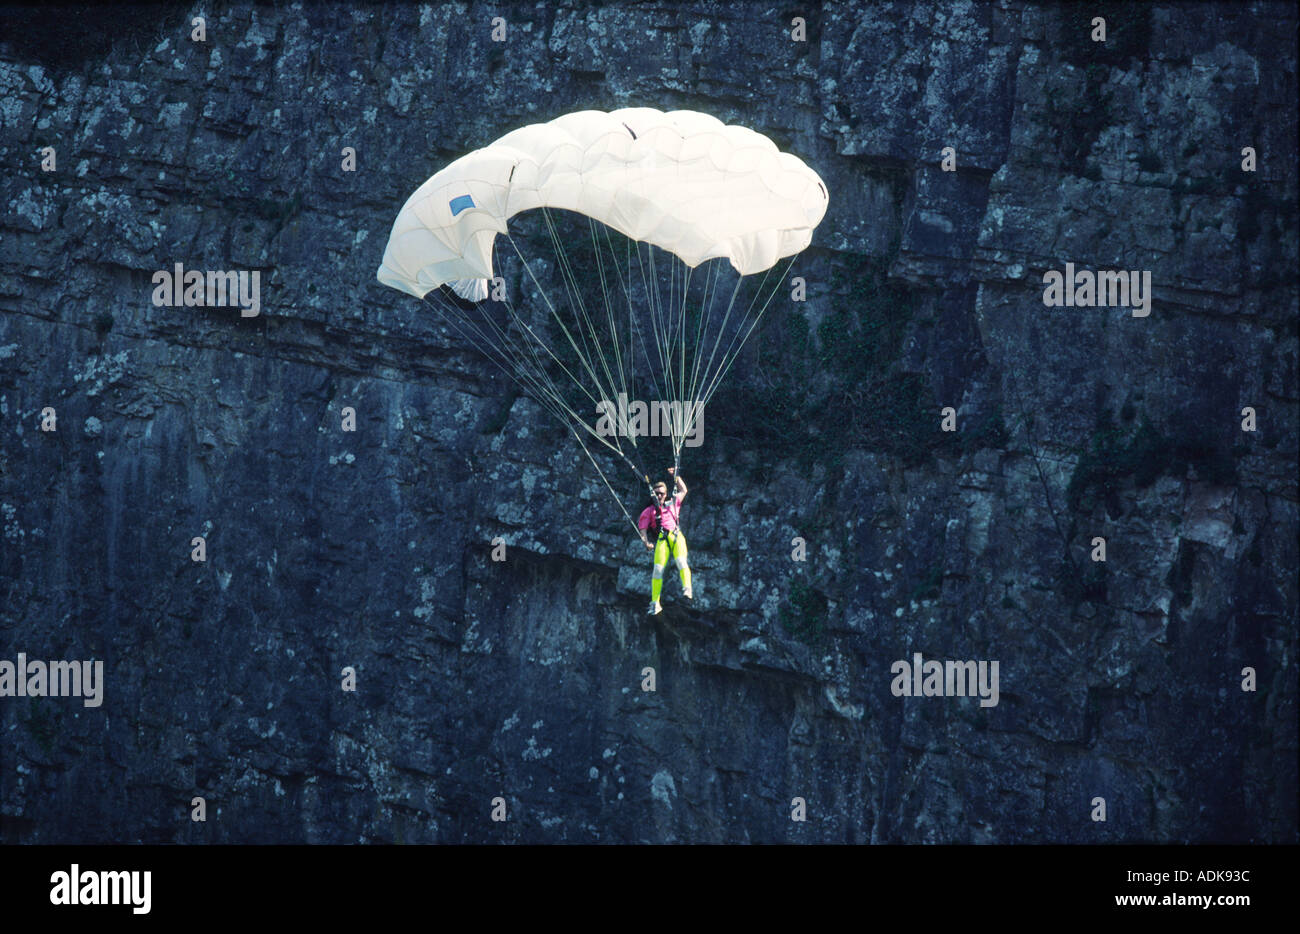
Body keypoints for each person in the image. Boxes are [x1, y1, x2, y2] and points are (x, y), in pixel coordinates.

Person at [638, 468, 692, 615]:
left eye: (662, 493)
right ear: (653, 495)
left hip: (676, 537)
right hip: (662, 540)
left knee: (681, 561)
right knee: (657, 570)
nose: (659, 496)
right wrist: (646, 542)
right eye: (657, 493)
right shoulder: (649, 511)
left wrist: (676, 476)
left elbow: (683, 490)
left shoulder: (673, 503)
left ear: (666, 494)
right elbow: (642, 530)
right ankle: (655, 602)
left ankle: (687, 588)